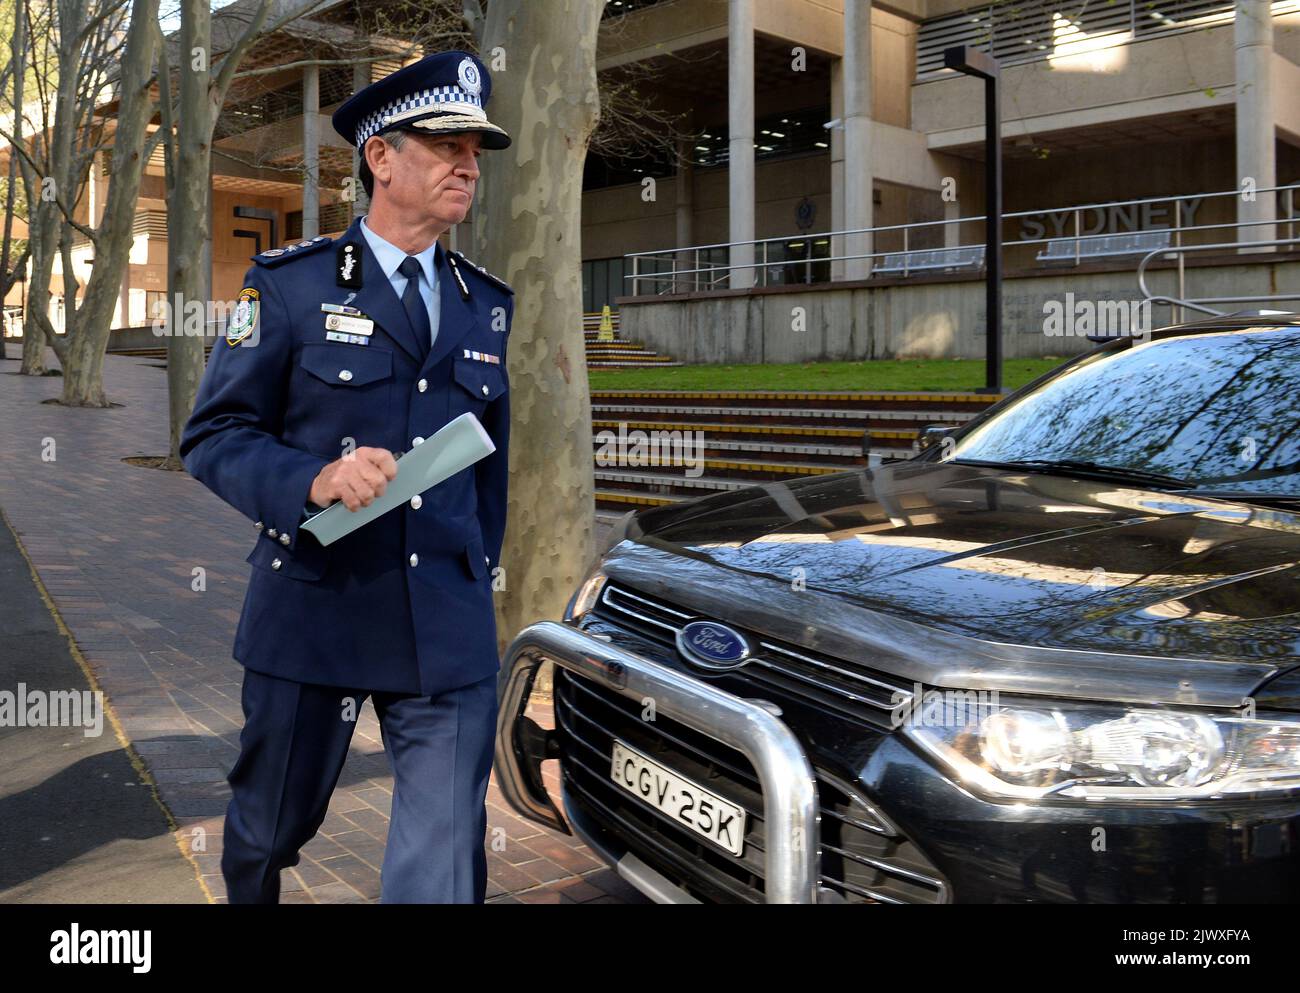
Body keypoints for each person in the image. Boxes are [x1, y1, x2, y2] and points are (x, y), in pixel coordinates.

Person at [180, 50, 514, 904]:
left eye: (475, 149)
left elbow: (490, 469)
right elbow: (214, 433)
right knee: (268, 829)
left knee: (441, 867)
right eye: (447, 146)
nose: (468, 165)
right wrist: (313, 481)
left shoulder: (486, 303)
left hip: (442, 624)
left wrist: (477, 576)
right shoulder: (289, 288)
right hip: (315, 611)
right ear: (380, 158)